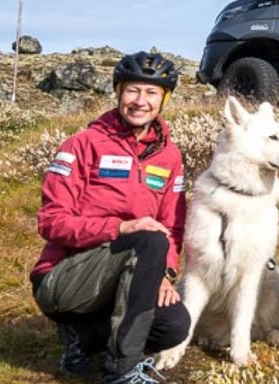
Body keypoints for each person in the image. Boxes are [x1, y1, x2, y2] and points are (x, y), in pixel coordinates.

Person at [31, 51, 189, 384]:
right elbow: (50, 222)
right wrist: (119, 228)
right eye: (132, 90)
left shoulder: (171, 156)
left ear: (165, 99)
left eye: (151, 93)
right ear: (118, 93)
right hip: (63, 278)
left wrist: (165, 272)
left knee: (173, 326)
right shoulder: (81, 144)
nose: (140, 101)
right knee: (147, 238)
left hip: (132, 268)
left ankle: (82, 337)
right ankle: (122, 370)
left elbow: (173, 227)